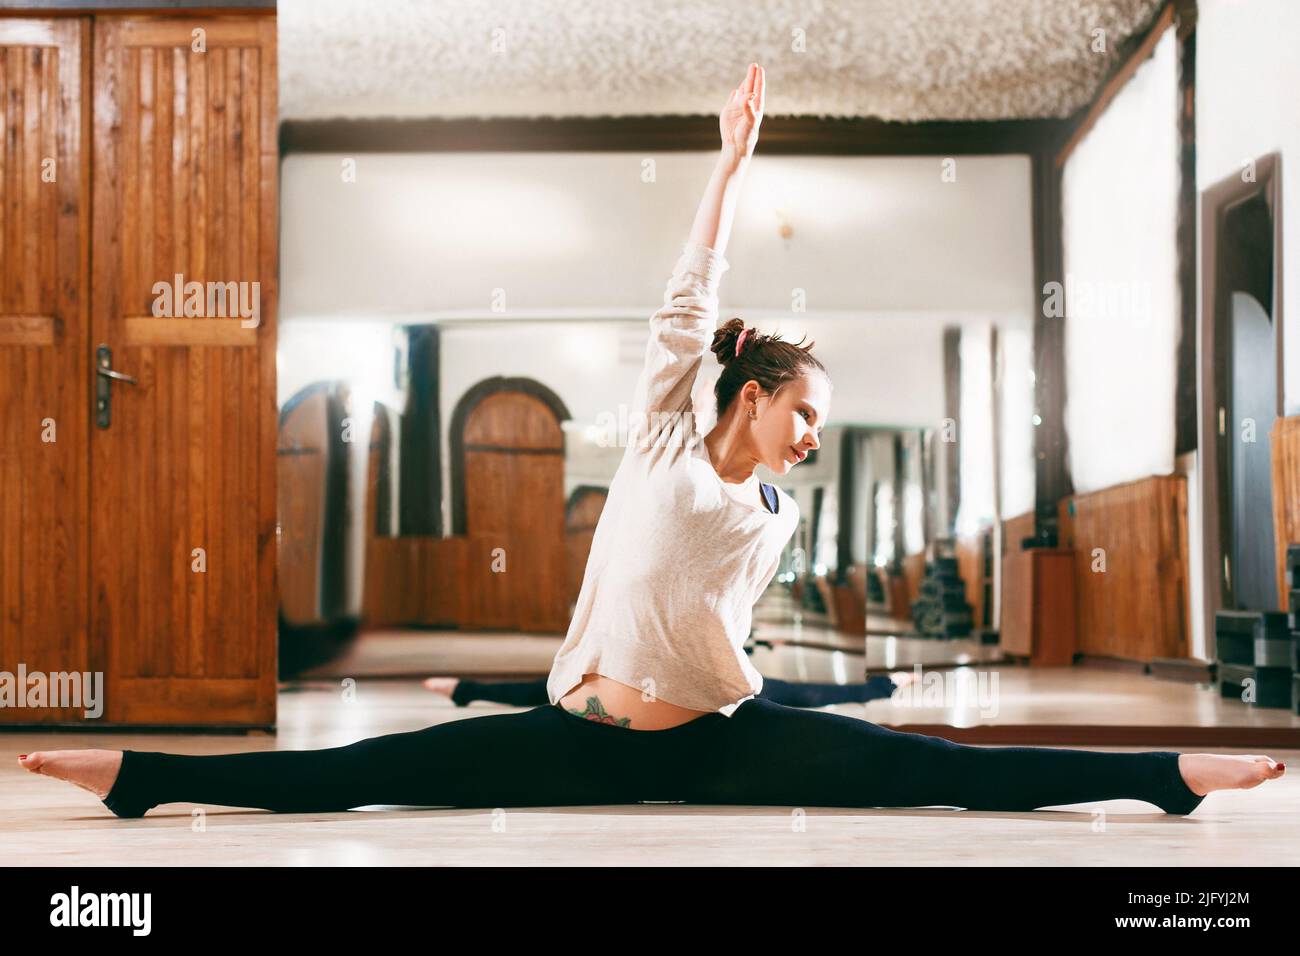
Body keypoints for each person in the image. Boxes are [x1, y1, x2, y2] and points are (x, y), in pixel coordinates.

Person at [18, 64, 1284, 818]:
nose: (810, 440)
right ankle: (136, 771)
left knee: (927, 765)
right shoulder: (669, 432)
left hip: (726, 737)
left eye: (822, 429)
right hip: (581, 732)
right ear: (750, 395)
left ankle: (1168, 772)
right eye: (803, 414)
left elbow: (722, 638)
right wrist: (729, 167)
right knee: (361, 773)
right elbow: (688, 294)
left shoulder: (777, 515)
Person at [421, 670, 915, 710]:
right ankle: (465, 688)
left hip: (720, 685)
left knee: (806, 696)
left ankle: (884, 686)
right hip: (642, 677)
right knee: (557, 688)